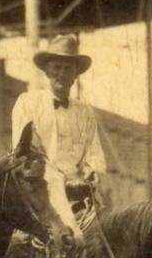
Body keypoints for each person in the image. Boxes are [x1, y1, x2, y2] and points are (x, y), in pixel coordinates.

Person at [12, 35, 108, 212]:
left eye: (67, 69)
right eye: (56, 68)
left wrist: (91, 173)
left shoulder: (85, 112)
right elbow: (25, 155)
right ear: (47, 72)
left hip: (79, 196)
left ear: (76, 74)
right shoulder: (28, 103)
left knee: (106, 233)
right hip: (41, 194)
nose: (62, 74)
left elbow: (94, 155)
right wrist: (60, 181)